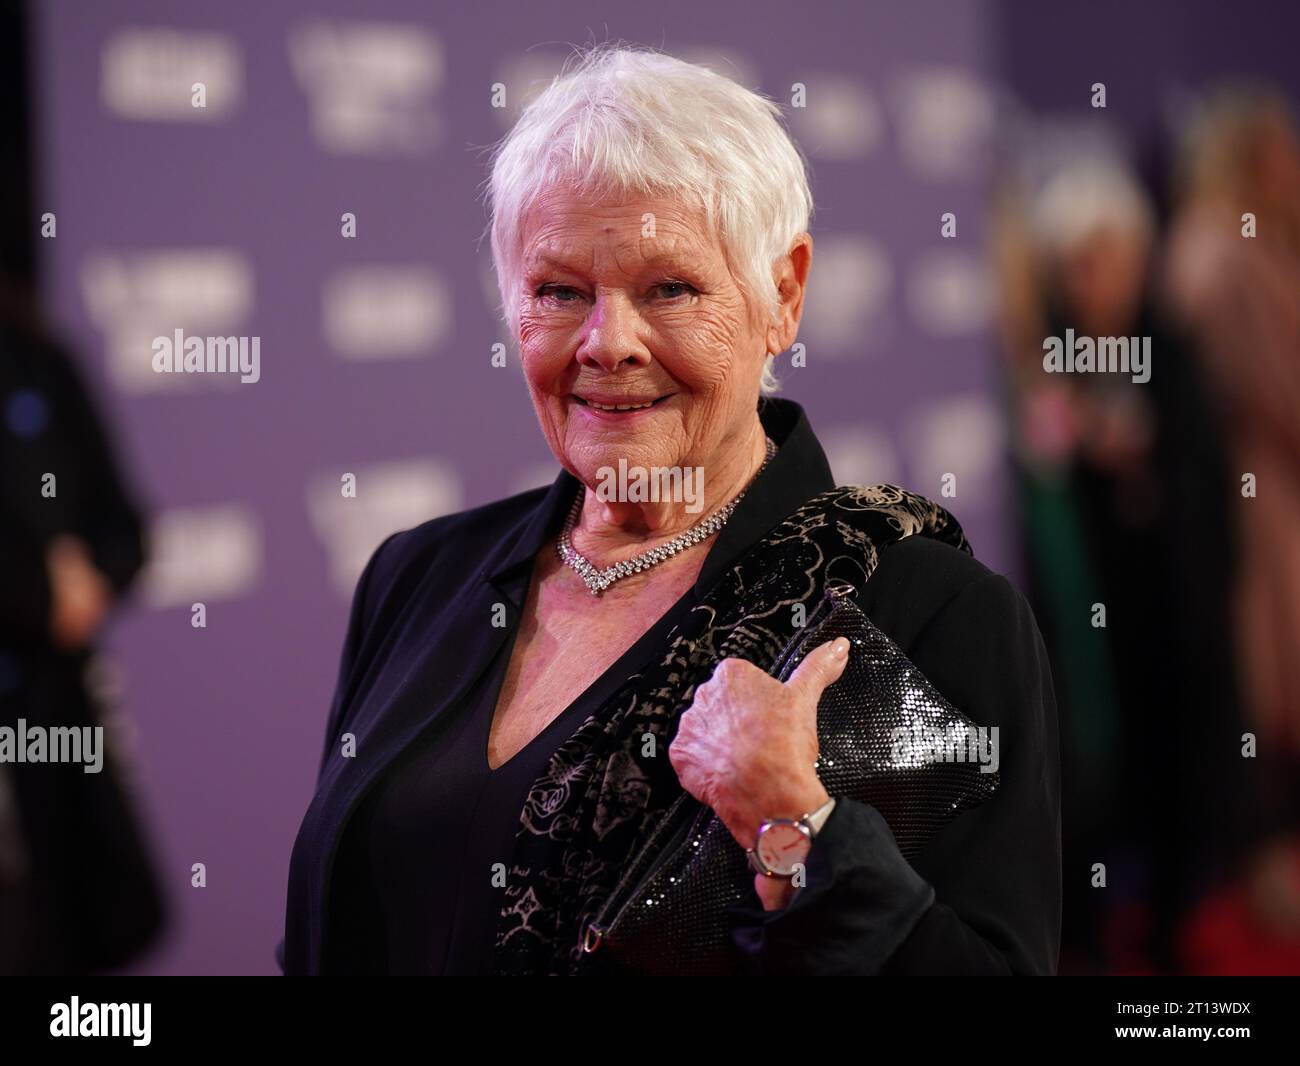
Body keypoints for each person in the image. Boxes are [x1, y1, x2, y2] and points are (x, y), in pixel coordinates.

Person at [280, 44, 1061, 976]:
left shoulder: (923, 617)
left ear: (783, 294)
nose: (608, 343)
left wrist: (797, 824)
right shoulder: (417, 578)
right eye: (559, 291)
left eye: (671, 289)